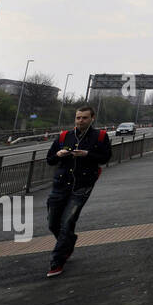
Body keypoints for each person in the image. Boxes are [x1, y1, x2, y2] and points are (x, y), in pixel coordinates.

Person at [44, 104, 112, 277]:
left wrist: (87, 155)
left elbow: (105, 158)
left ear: (92, 118)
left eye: (84, 118)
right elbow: (50, 160)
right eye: (78, 117)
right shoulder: (64, 136)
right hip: (60, 184)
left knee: (67, 222)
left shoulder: (100, 136)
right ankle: (70, 241)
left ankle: (57, 261)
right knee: (53, 223)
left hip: (82, 185)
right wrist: (58, 155)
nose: (81, 120)